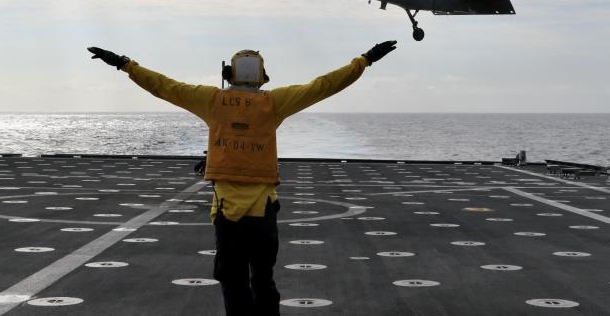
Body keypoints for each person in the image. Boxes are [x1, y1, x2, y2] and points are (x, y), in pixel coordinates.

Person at [87, 41, 398, 316]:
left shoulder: (211, 100)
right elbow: (324, 85)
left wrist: (124, 64)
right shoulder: (273, 102)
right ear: (262, 76)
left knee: (233, 280)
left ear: (229, 74)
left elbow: (164, 86)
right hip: (264, 209)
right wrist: (365, 59)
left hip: (227, 212)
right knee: (263, 278)